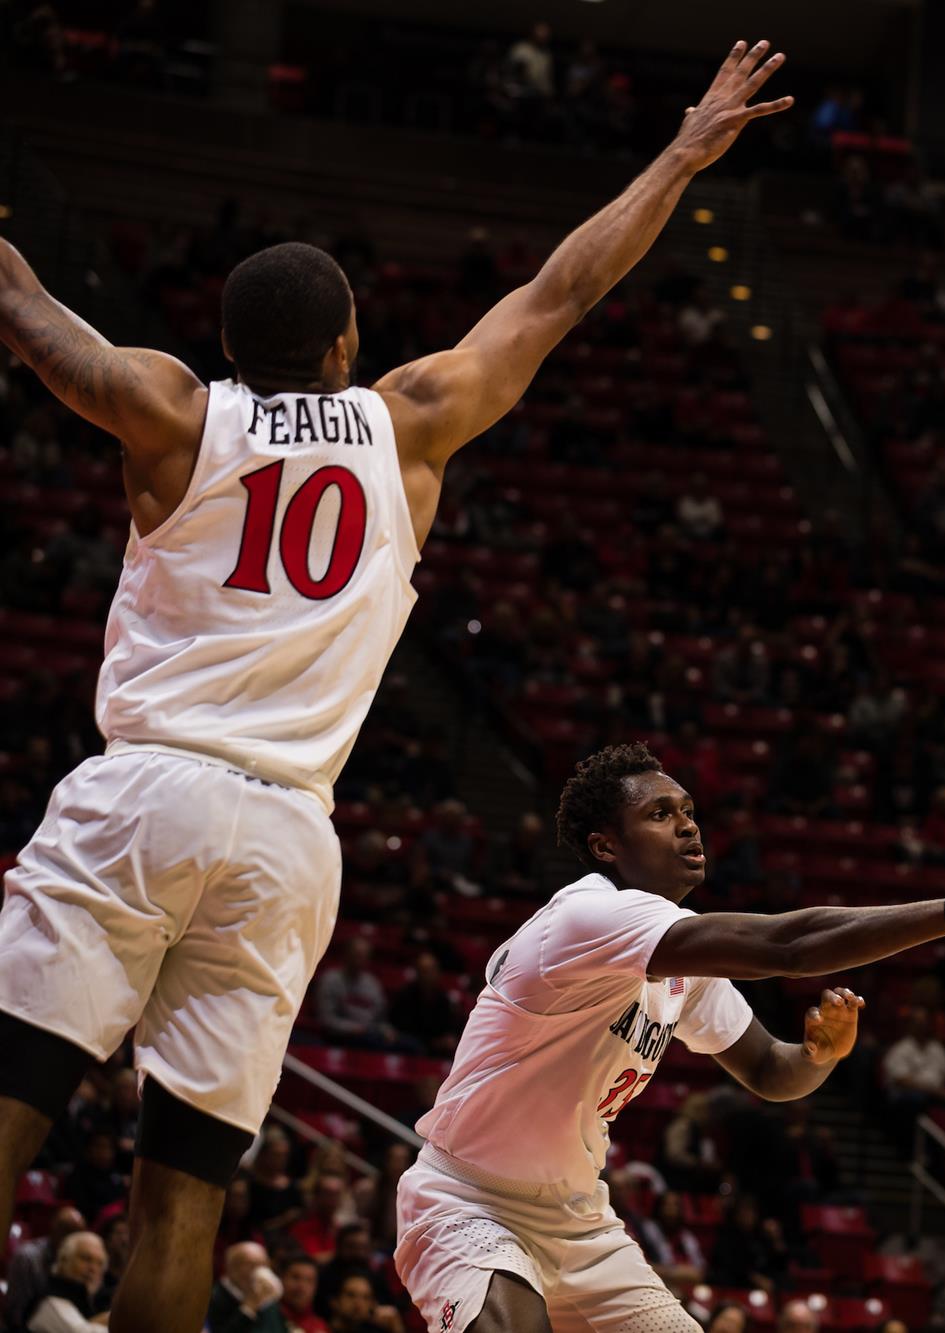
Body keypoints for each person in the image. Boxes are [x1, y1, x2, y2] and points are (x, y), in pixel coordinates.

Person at [0, 36, 795, 1333]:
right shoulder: (409, 418)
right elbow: (557, 292)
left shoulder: (174, 411)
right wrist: (684, 150)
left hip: (145, 796)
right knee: (183, 1201)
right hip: (286, 841)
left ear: (230, 344)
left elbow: (25, 310)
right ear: (349, 337)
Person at [393, 742, 945, 1333]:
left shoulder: (683, 965)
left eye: (690, 812)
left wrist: (821, 1054)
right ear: (605, 845)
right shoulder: (584, 917)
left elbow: (770, 1070)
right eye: (660, 813)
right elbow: (790, 945)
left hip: (580, 1222)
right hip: (468, 1199)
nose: (688, 827)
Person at [7, 1204, 86, 1329]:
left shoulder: (79, 1260)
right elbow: (17, 1312)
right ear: (53, 1227)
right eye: (66, 1230)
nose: (70, 1237)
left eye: (76, 1232)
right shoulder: (28, 1257)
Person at [26, 1232, 111, 1333]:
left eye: (100, 1264)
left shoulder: (95, 1301)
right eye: (86, 1259)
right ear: (64, 1260)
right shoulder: (51, 1300)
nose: (93, 1268)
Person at [204, 1241, 284, 1333]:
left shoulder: (268, 1295)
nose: (259, 1270)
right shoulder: (213, 1298)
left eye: (263, 1264)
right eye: (250, 1264)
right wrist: (249, 1307)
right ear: (231, 1267)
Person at [276, 1257, 328, 1333]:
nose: (301, 1287)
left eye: (309, 1280)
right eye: (295, 1277)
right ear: (281, 1278)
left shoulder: (319, 1327)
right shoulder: (265, 1316)